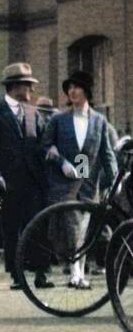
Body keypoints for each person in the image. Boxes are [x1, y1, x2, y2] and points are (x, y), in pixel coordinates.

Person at [40, 70, 118, 288]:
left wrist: (114, 179)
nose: (72, 91)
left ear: (87, 91)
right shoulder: (59, 119)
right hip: (63, 183)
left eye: (77, 87)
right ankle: (76, 272)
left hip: (87, 183)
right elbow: (45, 146)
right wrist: (62, 162)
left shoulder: (99, 121)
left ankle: (78, 272)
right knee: (72, 226)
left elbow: (106, 153)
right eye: (70, 87)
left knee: (83, 228)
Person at [0, 62, 51, 291]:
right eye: (28, 86)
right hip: (8, 182)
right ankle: (17, 275)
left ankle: (41, 273)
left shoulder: (33, 112)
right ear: (14, 87)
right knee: (12, 230)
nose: (32, 91)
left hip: (34, 181)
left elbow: (43, 142)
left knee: (37, 226)